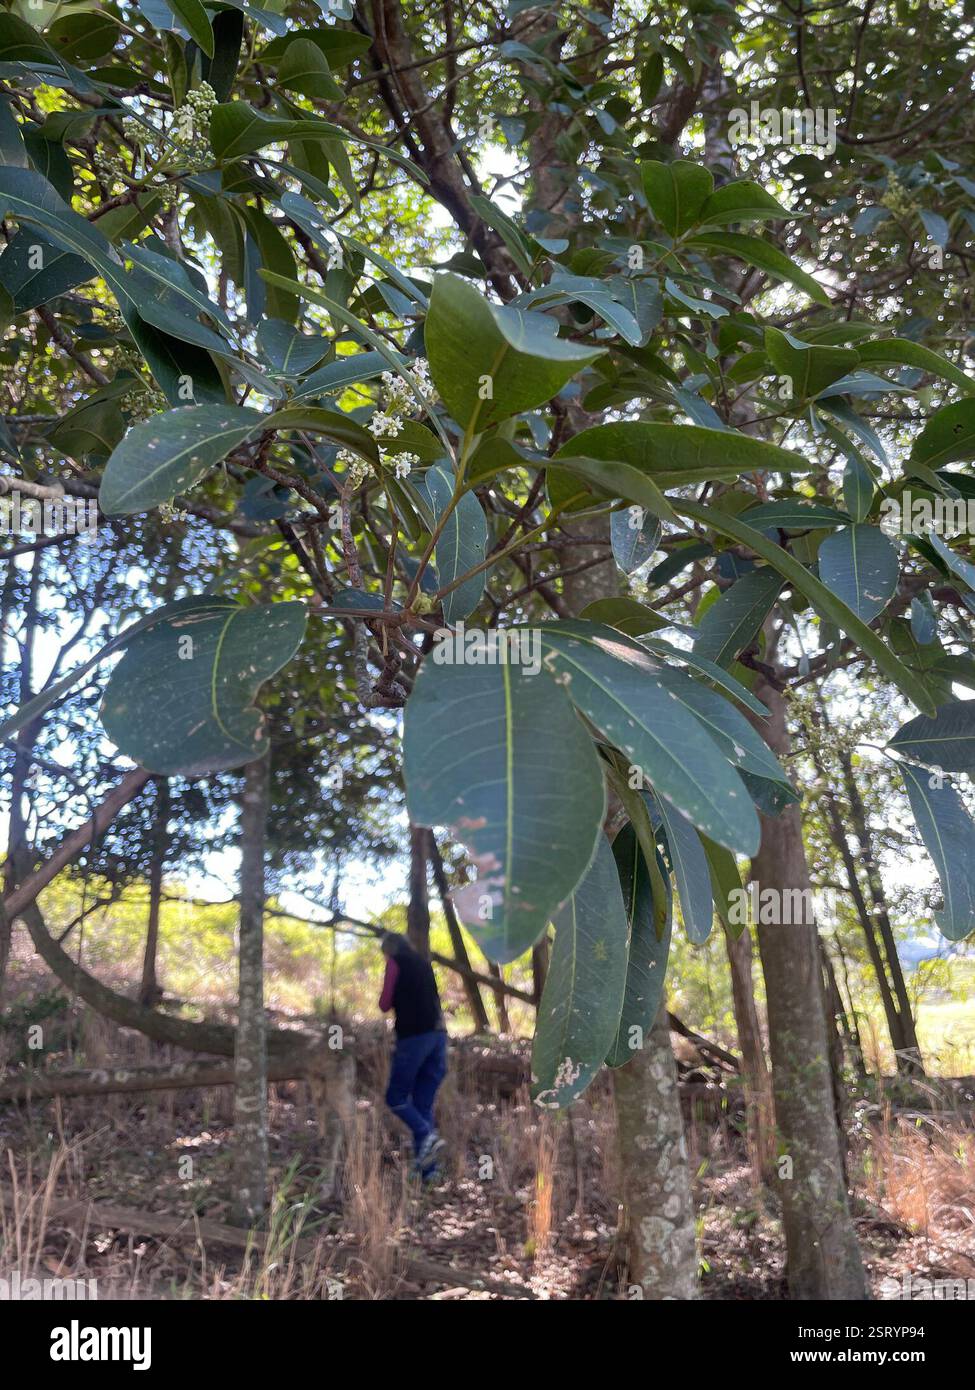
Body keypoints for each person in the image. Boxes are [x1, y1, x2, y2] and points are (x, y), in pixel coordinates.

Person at [378, 931, 448, 1180]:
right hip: (439, 1037)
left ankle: (426, 1134)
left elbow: (385, 1003)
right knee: (422, 1104)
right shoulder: (424, 963)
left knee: (395, 1097)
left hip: (414, 1038)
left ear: (389, 950)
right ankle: (429, 1172)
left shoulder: (395, 963)